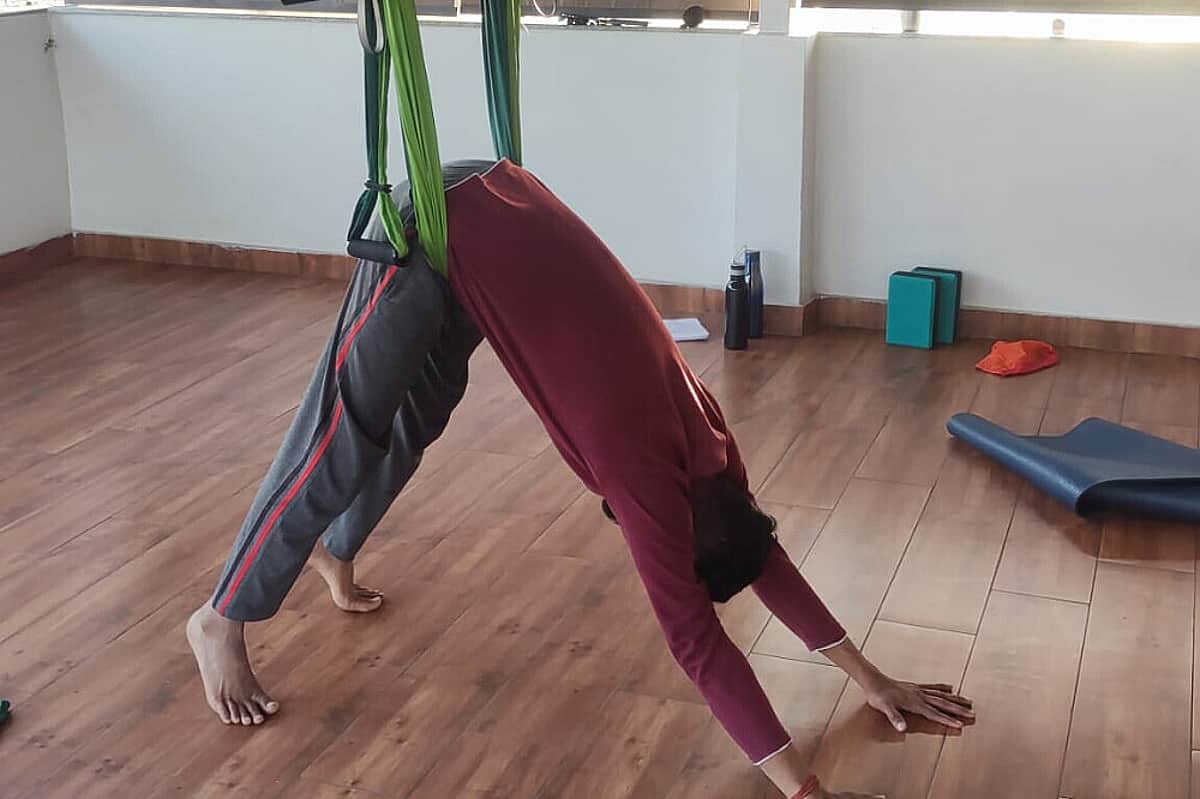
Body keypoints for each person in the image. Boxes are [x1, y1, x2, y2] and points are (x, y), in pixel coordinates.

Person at [187, 160, 973, 799]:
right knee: (341, 433)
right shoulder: (645, 476)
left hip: (495, 217)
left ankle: (336, 546)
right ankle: (223, 616)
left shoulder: (714, 454)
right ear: (681, 530)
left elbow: (761, 557)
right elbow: (698, 643)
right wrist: (802, 791)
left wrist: (870, 677)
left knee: (420, 409)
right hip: (440, 223)